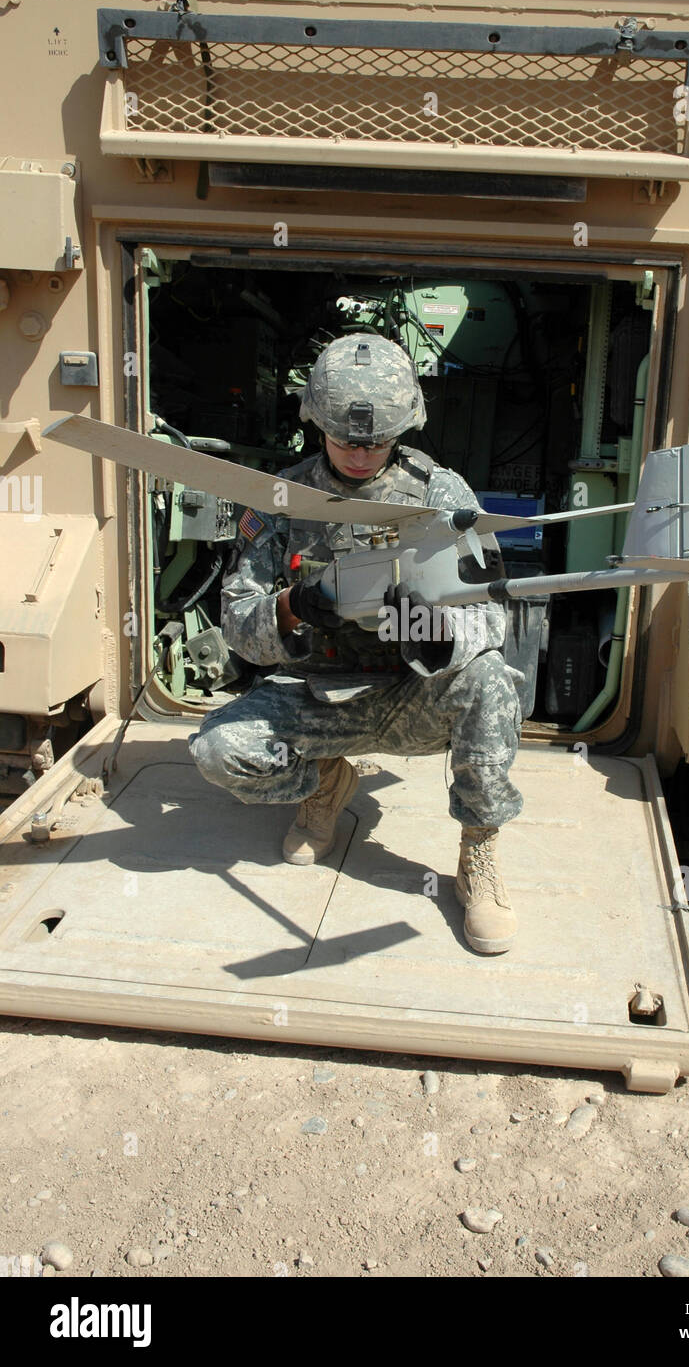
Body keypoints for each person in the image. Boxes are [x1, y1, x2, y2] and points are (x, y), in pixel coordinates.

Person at [188, 334, 524, 954]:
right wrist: (292, 607)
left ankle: (479, 852)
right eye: (346, 441)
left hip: (410, 694)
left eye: (376, 442)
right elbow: (237, 622)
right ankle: (324, 786)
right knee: (218, 752)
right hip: (316, 693)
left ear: (406, 427)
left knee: (491, 682)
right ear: (316, 423)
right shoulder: (279, 500)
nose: (362, 455)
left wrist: (433, 625)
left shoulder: (440, 495)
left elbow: (492, 615)